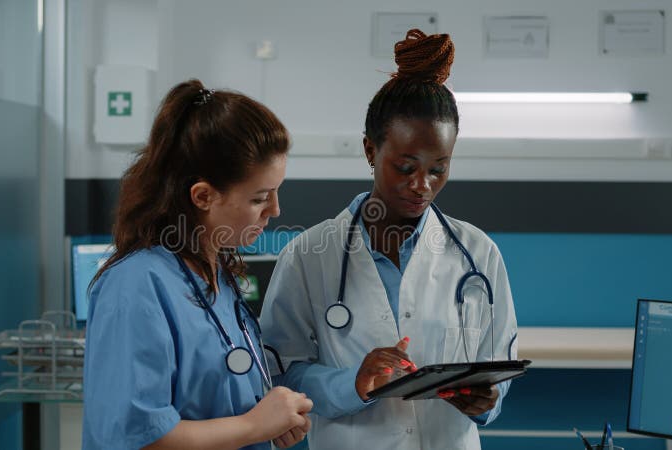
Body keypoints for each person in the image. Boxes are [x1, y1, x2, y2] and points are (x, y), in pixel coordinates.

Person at [260, 30, 518, 450]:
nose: (423, 185)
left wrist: (486, 400)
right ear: (369, 150)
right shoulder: (308, 256)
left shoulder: (478, 254)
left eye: (439, 168)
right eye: (405, 167)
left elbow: (498, 365)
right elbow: (278, 374)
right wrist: (354, 383)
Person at [82, 79, 313, 450]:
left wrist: (271, 422)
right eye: (259, 198)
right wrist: (254, 426)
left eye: (276, 192)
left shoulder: (215, 274)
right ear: (203, 196)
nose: (275, 210)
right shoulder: (137, 285)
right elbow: (139, 437)